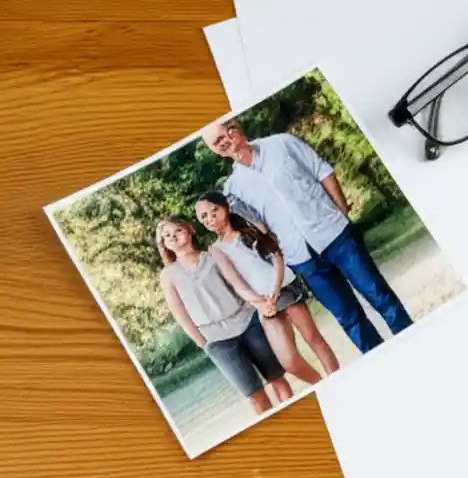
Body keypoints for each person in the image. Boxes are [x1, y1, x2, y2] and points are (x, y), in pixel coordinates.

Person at [200, 117, 413, 353]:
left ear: (236, 126)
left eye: (227, 131)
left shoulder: (282, 143)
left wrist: (341, 212)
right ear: (214, 150)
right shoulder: (234, 188)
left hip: (336, 235)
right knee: (348, 318)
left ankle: (414, 344)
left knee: (379, 295)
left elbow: (323, 171)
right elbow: (260, 226)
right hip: (302, 259)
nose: (225, 140)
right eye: (217, 141)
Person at [195, 191, 339, 384]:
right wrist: (260, 303)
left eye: (214, 211)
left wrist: (275, 290)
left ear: (226, 209)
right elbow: (236, 283)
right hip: (263, 305)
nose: (210, 218)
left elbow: (277, 258)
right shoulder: (215, 250)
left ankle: (337, 382)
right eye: (204, 216)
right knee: (289, 362)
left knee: (314, 339)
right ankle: (321, 385)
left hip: (284, 289)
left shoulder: (250, 229)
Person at [155, 217, 292, 415]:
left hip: (248, 324)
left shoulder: (213, 254)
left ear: (189, 230)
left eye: (177, 231)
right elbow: (180, 314)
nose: (173, 237)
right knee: (255, 396)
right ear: (164, 244)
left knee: (278, 379)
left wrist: (260, 302)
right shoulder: (168, 275)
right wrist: (203, 343)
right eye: (167, 236)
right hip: (217, 341)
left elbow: (238, 285)